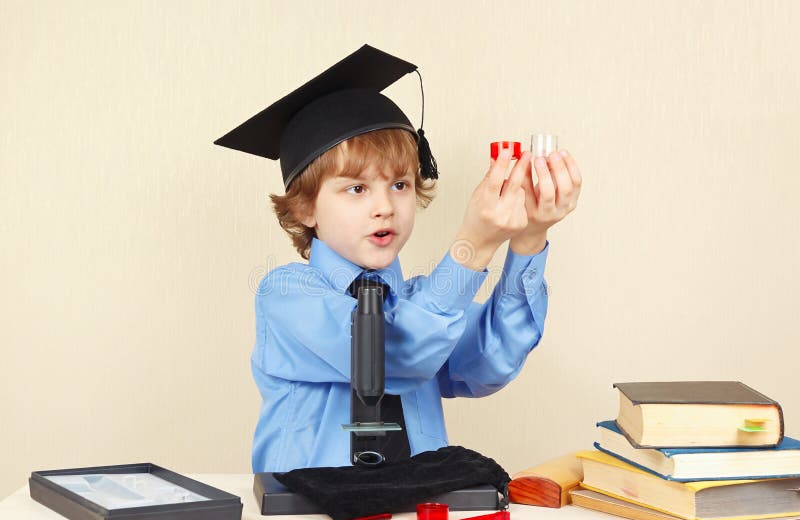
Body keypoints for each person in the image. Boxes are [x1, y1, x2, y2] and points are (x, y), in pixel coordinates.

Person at [215, 45, 582, 473]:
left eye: (400, 185)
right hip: (309, 512)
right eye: (357, 189)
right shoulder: (286, 296)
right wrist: (472, 246)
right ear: (305, 208)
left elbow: (491, 358)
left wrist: (529, 238)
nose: (384, 206)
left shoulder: (421, 300)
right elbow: (392, 358)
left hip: (413, 509)